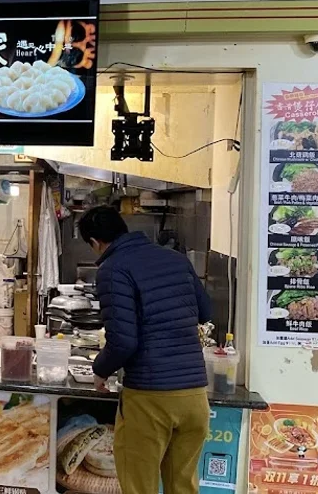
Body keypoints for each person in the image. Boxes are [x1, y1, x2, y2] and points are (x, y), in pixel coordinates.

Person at [78, 205, 211, 494]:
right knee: (183, 487)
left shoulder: (112, 268)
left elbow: (123, 341)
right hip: (194, 396)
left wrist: (100, 370)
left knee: (139, 486)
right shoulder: (176, 259)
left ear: (95, 242)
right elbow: (205, 312)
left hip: (151, 397)